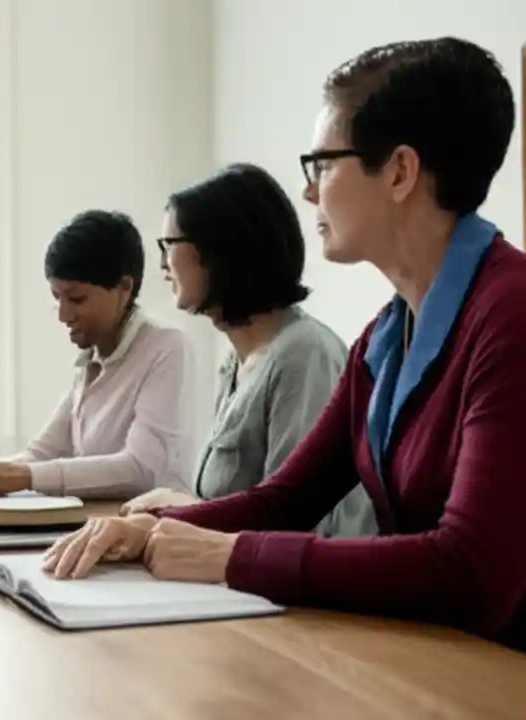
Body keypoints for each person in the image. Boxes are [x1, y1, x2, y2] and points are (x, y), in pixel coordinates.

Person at [47, 37, 525, 649]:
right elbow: (285, 499)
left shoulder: (511, 313)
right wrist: (151, 529)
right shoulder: (384, 337)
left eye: (322, 165)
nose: (308, 191)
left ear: (401, 172)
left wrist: (229, 555)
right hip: (443, 658)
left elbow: (473, 572)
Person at [119, 164, 376, 538]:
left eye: (169, 245)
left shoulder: (304, 354)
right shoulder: (236, 361)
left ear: (218, 250)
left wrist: (183, 512)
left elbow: (292, 519)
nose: (162, 263)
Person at [0, 210, 190, 501]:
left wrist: (22, 477)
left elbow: (141, 468)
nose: (63, 315)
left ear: (125, 288)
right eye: (56, 298)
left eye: (76, 299)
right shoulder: (91, 361)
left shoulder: (167, 348)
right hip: (96, 525)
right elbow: (43, 453)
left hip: (151, 532)